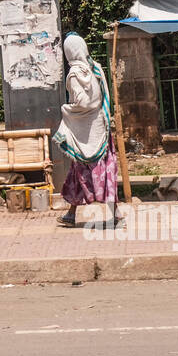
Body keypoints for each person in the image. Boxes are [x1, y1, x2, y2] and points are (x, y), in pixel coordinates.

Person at [53, 33, 121, 229]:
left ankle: (112, 214)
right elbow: (101, 97)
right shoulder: (95, 68)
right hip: (100, 127)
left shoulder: (75, 74)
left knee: (81, 171)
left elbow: (83, 102)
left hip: (84, 132)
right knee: (102, 171)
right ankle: (72, 214)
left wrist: (67, 109)